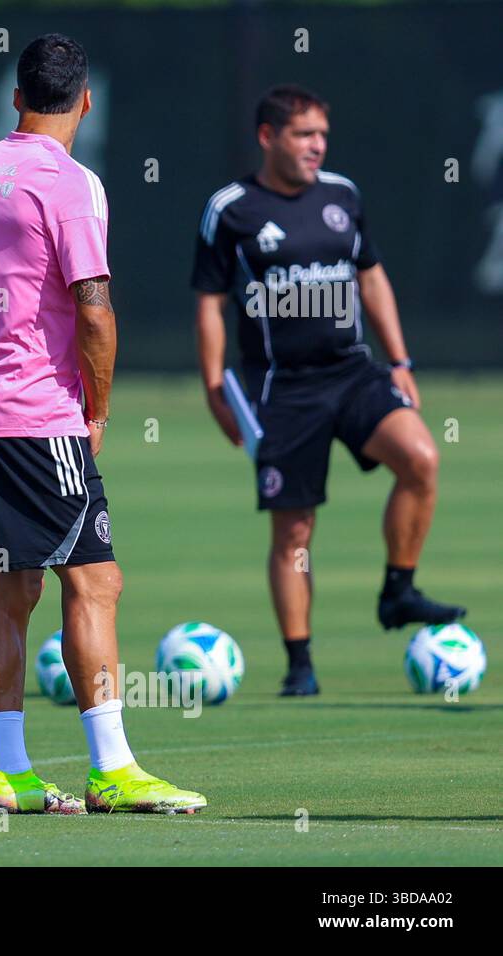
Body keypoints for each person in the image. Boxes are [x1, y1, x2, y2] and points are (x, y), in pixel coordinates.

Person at [0, 35, 207, 814]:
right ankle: (112, 769)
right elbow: (95, 308)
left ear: (16, 98)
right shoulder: (72, 184)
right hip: (39, 416)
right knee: (96, 581)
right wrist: (96, 407)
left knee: (11, 589)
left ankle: (9, 774)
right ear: (86, 99)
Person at [191, 84, 466, 696]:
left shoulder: (343, 195)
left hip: (353, 373)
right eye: (304, 134)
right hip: (280, 389)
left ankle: (398, 590)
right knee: (294, 531)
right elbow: (209, 304)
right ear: (269, 137)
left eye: (321, 134)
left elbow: (371, 278)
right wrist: (215, 382)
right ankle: (300, 664)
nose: (317, 146)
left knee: (422, 459)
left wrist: (400, 360)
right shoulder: (231, 208)